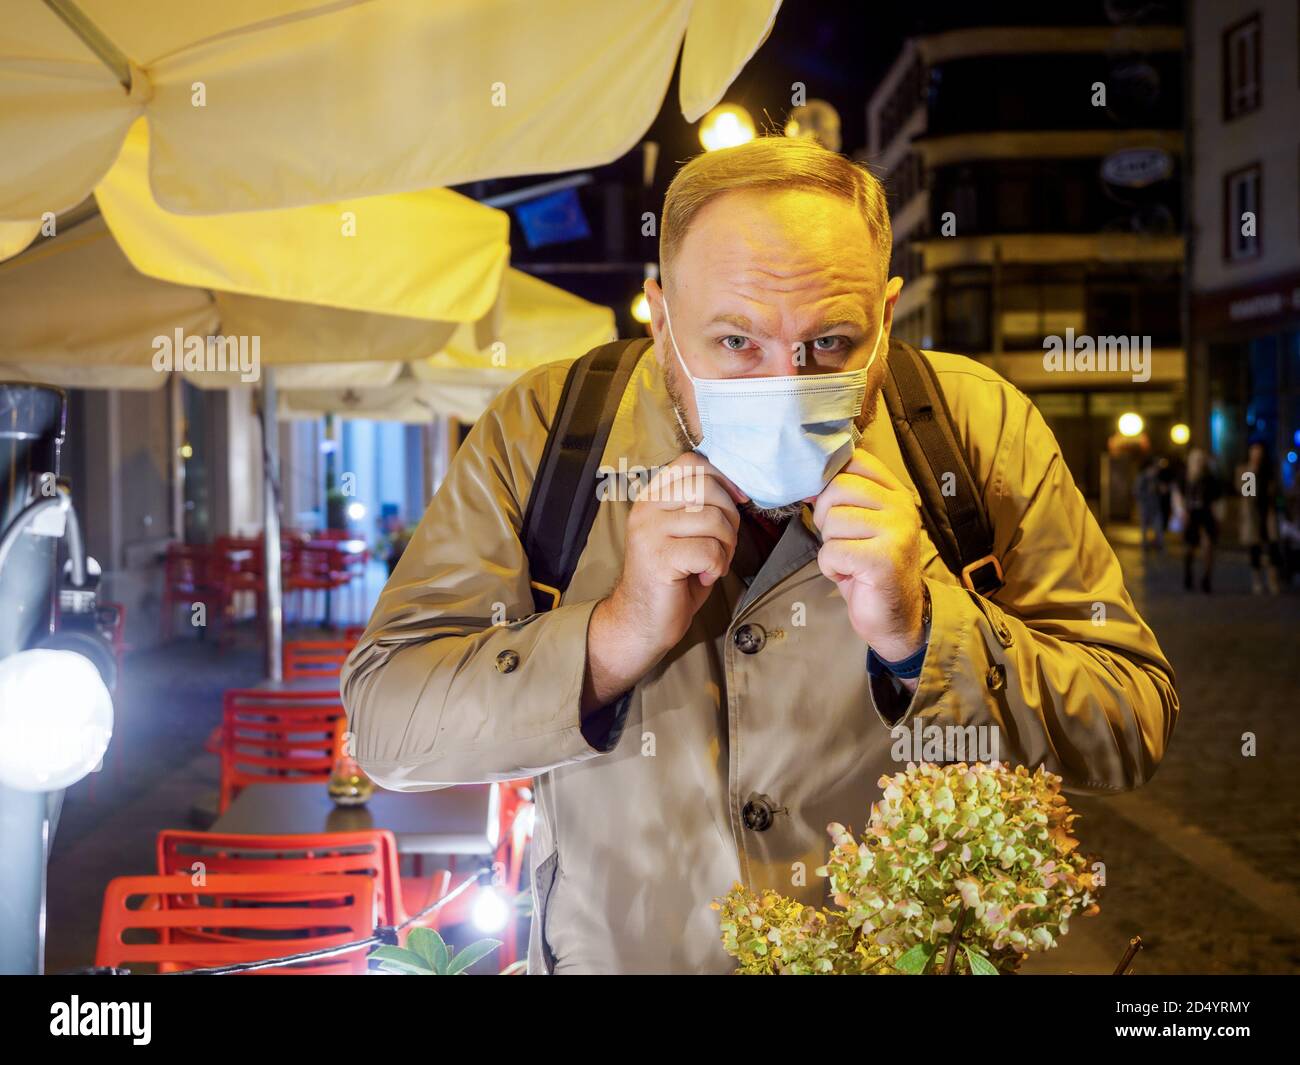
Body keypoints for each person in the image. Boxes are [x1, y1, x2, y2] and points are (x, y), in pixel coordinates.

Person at [341, 137, 1178, 975]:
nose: (785, 378)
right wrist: (610, 639)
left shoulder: (975, 430)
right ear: (661, 320)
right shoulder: (545, 433)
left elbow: (1130, 719)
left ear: (887, 317)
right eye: (736, 342)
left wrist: (926, 632)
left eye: (832, 342)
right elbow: (387, 723)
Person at [1238, 441, 1282, 594]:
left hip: (1268, 513)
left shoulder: (1269, 471)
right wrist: (1252, 472)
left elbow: (1275, 491)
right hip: (1253, 514)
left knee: (1272, 547)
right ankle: (1257, 581)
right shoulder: (1247, 470)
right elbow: (1247, 493)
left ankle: (1273, 580)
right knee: (1255, 548)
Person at [1177, 447, 1223, 593]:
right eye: (1195, 460)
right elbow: (1178, 495)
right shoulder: (1184, 476)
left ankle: (1206, 578)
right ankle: (1188, 574)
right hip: (1190, 513)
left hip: (1206, 512)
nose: (1198, 463)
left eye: (1200, 460)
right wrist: (1181, 512)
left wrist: (1218, 516)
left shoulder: (1210, 478)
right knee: (1189, 547)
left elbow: (1218, 498)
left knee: (1208, 546)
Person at [1134, 456, 1165, 553]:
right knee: (1144, 528)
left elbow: (1160, 491)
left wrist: (1160, 489)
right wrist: (1147, 494)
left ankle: (1158, 545)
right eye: (1154, 468)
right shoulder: (1141, 478)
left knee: (1158, 527)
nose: (1156, 471)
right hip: (1145, 507)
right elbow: (1136, 492)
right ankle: (1145, 546)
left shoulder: (1156, 479)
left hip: (1155, 507)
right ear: (1149, 468)